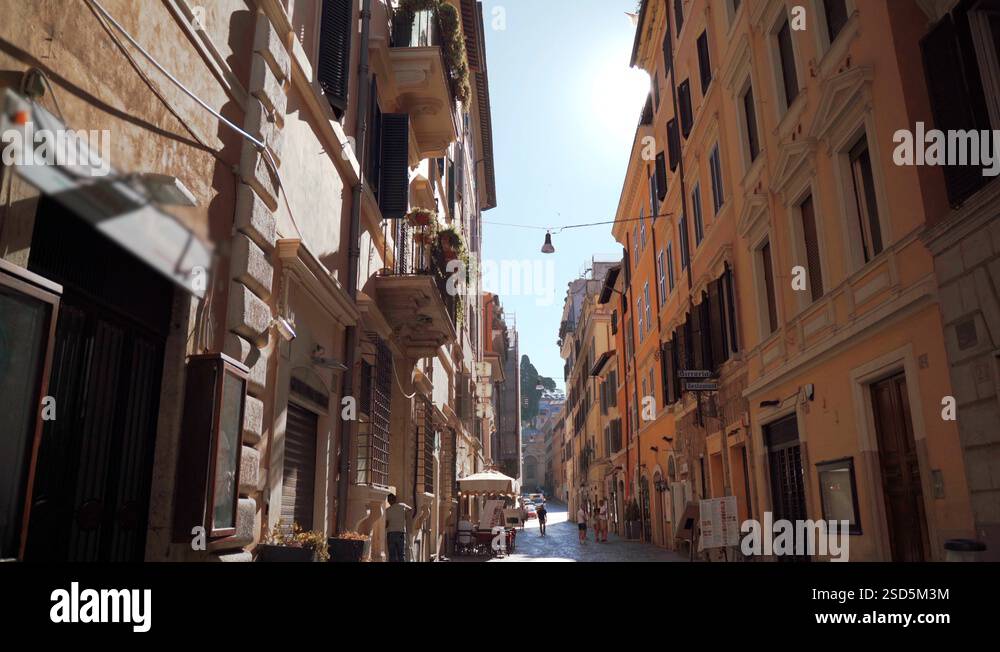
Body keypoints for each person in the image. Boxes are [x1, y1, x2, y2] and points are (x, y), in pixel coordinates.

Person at [384, 493, 411, 562]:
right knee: (401, 554)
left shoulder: (387, 510)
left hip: (391, 533)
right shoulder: (402, 506)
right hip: (400, 533)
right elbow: (410, 509)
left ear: (389, 501)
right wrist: (404, 515)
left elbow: (386, 524)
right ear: (395, 499)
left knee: (392, 554)